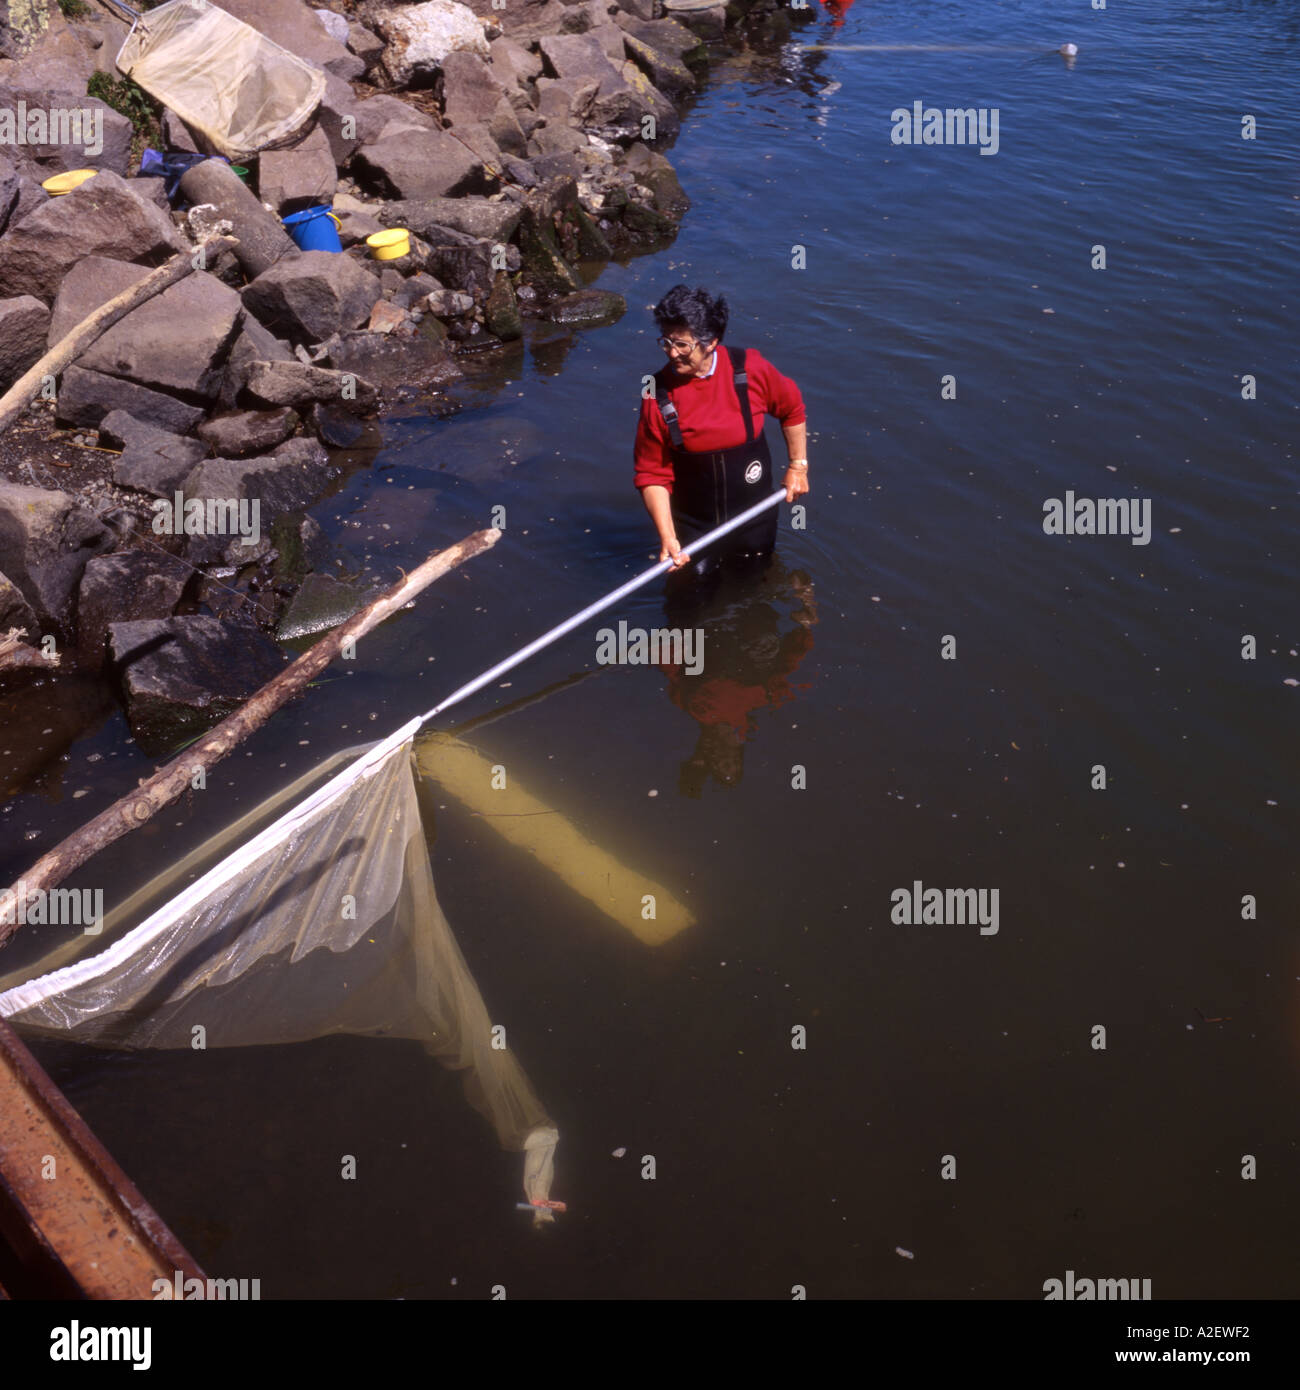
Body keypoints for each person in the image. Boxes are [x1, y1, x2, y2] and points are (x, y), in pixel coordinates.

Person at [633, 285, 809, 580]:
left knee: (754, 589)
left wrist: (797, 466)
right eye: (665, 342)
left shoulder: (750, 368)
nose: (672, 353)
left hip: (755, 518)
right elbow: (651, 474)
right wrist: (668, 536)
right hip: (694, 529)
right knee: (689, 604)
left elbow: (792, 409)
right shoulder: (655, 392)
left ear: (711, 341)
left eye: (682, 345)